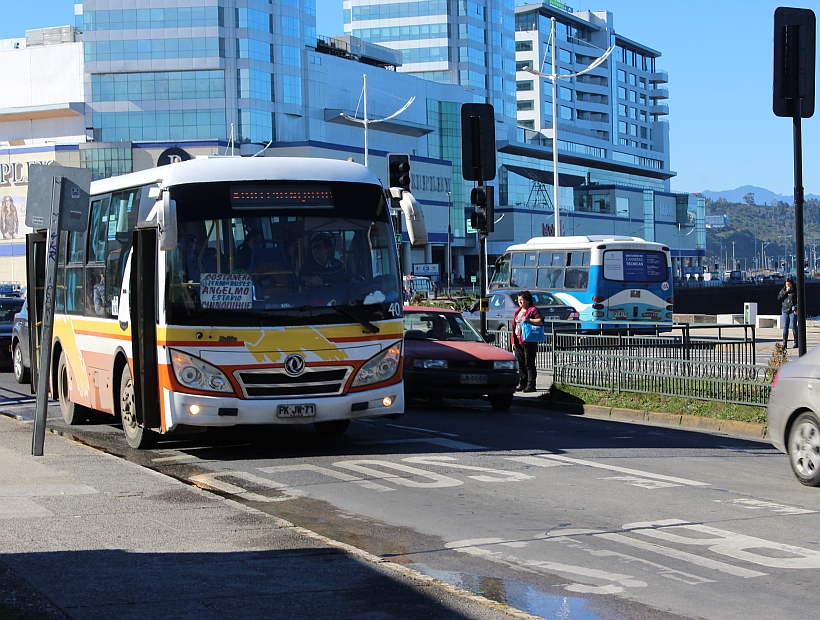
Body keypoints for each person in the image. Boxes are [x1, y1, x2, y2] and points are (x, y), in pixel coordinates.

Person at [512, 290, 544, 392]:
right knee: (521, 364)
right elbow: (514, 327)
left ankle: (531, 385)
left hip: (529, 342)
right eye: (518, 300)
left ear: (528, 300)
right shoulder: (518, 311)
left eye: (522, 300)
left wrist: (529, 320)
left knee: (529, 364)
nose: (520, 302)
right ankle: (523, 383)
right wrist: (513, 342)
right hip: (518, 341)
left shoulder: (533, 310)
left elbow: (541, 321)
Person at [778, 277, 798, 348]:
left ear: (792, 284)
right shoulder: (783, 290)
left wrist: (796, 307)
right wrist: (786, 291)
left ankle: (796, 342)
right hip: (785, 310)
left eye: (789, 284)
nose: (788, 286)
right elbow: (779, 297)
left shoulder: (795, 291)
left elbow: (798, 300)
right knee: (785, 326)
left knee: (793, 325)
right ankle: (784, 343)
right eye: (787, 284)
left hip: (792, 310)